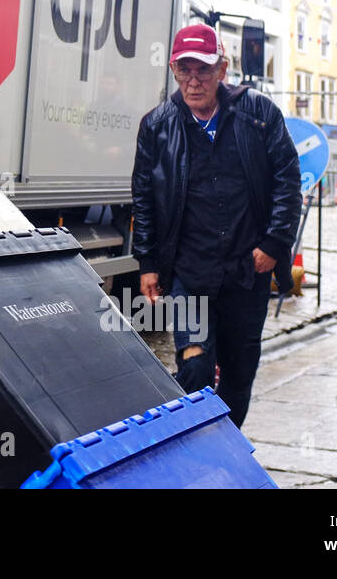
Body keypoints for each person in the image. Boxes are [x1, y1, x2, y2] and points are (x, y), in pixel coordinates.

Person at [130, 23, 301, 428]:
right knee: (195, 369)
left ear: (222, 69)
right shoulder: (157, 126)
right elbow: (144, 199)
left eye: (203, 70)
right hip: (191, 272)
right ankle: (198, 447)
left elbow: (287, 179)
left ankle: (227, 445)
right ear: (173, 70)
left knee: (239, 376)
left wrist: (275, 243)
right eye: (184, 70)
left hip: (247, 269)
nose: (193, 81)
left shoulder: (258, 113)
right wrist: (148, 263)